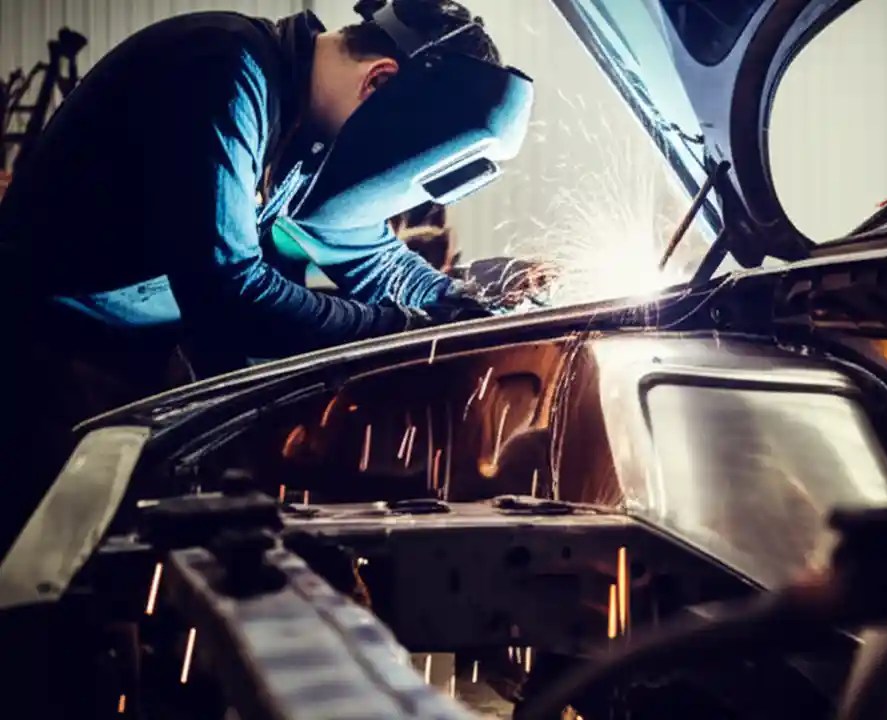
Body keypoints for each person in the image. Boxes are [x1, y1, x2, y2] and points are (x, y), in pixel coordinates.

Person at [0, 0, 532, 551]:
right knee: (47, 572)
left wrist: (467, 307)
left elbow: (370, 254)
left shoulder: (301, 131)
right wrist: (403, 327)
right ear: (378, 81)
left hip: (122, 362)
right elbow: (231, 294)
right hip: (36, 358)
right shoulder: (224, 70)